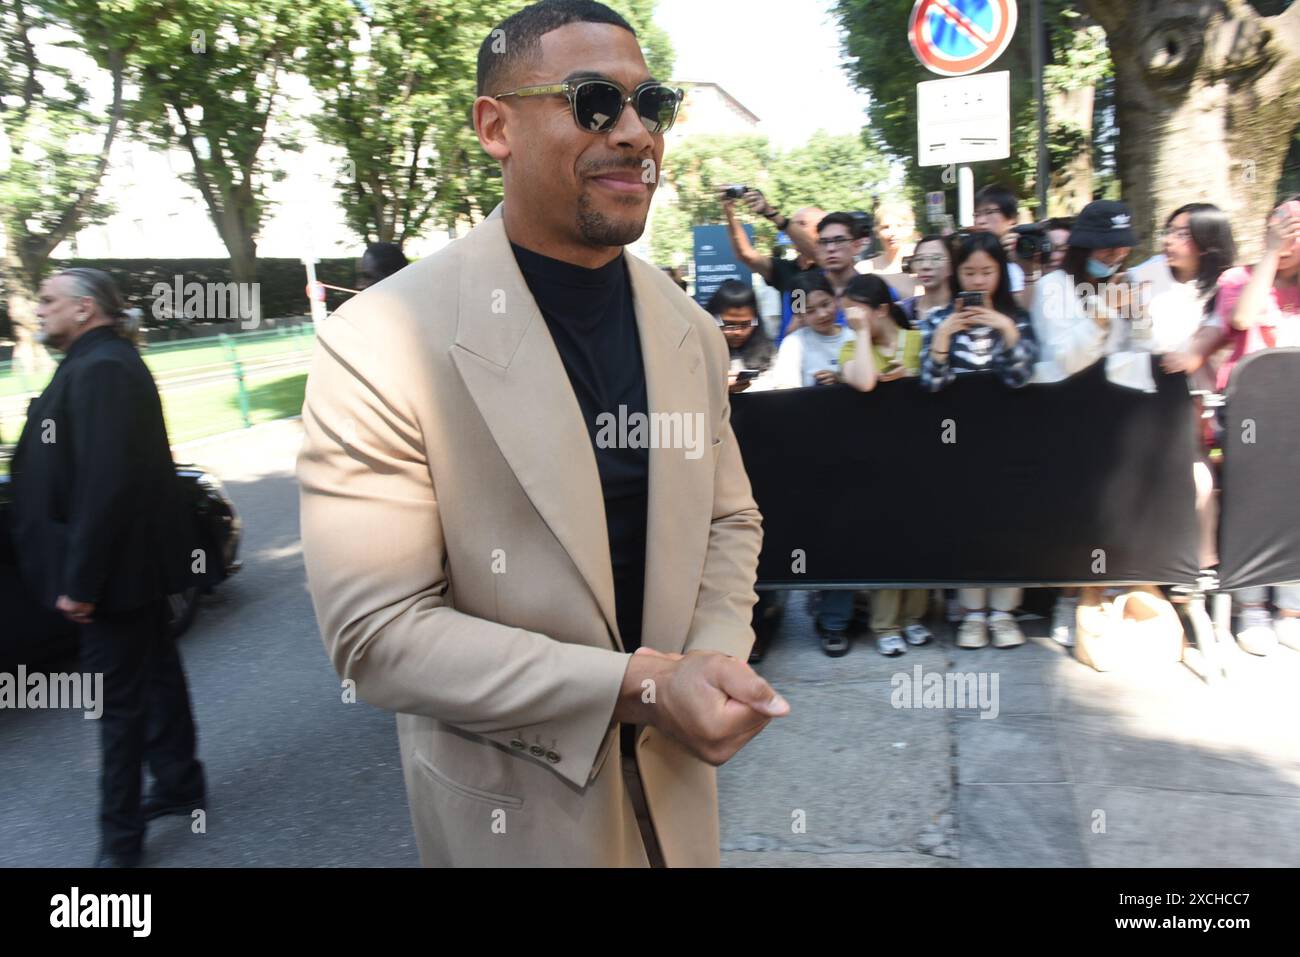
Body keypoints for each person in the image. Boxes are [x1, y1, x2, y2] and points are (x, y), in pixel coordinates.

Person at [296, 0, 788, 869]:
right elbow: (379, 633)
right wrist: (640, 685)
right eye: (593, 102)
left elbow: (728, 519)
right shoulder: (378, 341)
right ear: (496, 128)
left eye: (653, 105)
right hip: (512, 819)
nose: (634, 133)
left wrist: (709, 661)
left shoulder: (691, 330)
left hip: (680, 797)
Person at [10, 268, 206, 868]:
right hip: (124, 571)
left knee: (114, 706)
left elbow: (106, 484)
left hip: (112, 576)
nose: (38, 309)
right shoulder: (95, 362)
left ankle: (120, 845)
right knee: (156, 673)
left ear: (85, 309)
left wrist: (81, 582)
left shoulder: (102, 370)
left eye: (49, 300)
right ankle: (178, 781)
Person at [1184, 197, 1300, 655]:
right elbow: (1242, 319)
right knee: (1253, 502)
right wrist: (1271, 254)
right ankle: (1251, 606)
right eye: (1282, 226)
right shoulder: (1238, 279)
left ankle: (1290, 606)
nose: (1290, 237)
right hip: (1250, 414)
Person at [918, 231, 1038, 649]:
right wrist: (942, 338)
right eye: (970, 272)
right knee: (967, 524)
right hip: (956, 441)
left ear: (1000, 272)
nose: (978, 280)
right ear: (957, 273)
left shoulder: (1017, 317)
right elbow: (930, 385)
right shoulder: (937, 319)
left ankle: (1004, 613)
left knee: (1009, 525)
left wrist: (1006, 329)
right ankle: (972, 613)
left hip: (1009, 438)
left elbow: (1021, 378)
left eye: (987, 271)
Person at [1029, 199, 1138, 386]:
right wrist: (1102, 311)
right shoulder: (1052, 286)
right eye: (1108, 249)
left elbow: (1143, 346)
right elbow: (1068, 361)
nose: (1116, 255)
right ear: (1083, 248)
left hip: (1117, 393)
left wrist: (1143, 318)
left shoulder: (1124, 282)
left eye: (1123, 249)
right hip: (1067, 393)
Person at [767, 270, 859, 391]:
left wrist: (840, 379)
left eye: (825, 304)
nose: (822, 314)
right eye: (810, 311)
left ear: (836, 300)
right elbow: (784, 388)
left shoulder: (855, 336)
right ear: (800, 315)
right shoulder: (794, 343)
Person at [705, 278, 775, 395]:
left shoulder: (769, 353)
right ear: (712, 319)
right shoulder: (698, 354)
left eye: (745, 324)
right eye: (728, 324)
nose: (737, 332)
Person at [972, 184, 1030, 307]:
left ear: (1012, 219)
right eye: (976, 215)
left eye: (989, 212)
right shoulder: (969, 255)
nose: (980, 221)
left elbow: (1022, 308)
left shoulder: (1023, 256)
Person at [900, 233, 954, 328]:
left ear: (952, 265)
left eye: (936, 259)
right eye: (919, 259)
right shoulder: (903, 311)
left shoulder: (962, 311)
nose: (926, 266)